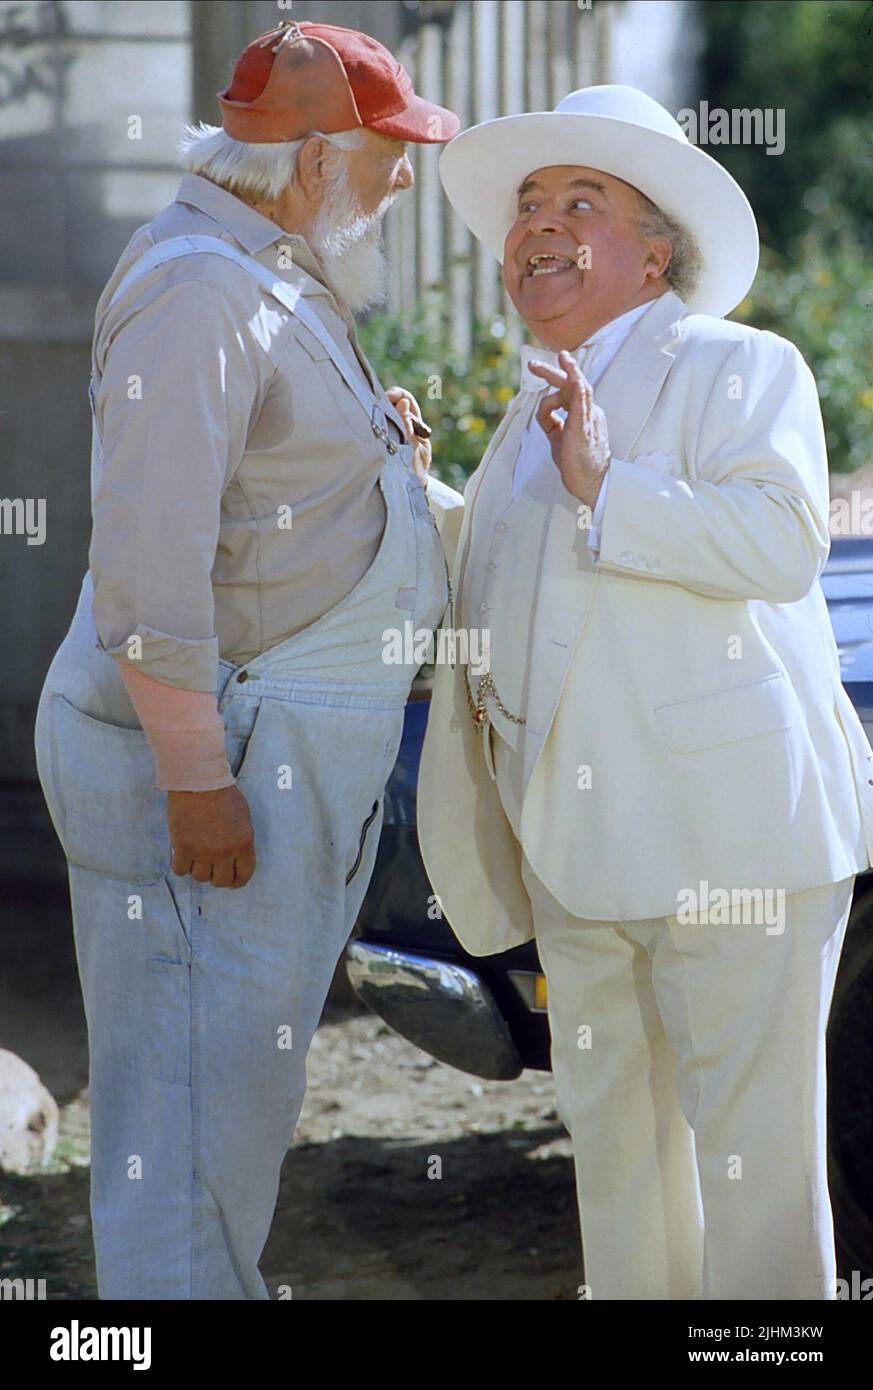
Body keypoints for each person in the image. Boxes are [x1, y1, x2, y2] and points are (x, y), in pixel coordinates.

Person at [418, 84, 873, 1300]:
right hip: (581, 854)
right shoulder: (525, 415)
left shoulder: (742, 365)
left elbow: (782, 544)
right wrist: (419, 494)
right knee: (619, 1180)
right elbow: (510, 587)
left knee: (755, 1182)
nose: (542, 224)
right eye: (528, 205)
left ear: (655, 250)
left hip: (742, 850)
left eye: (584, 200)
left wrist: (609, 485)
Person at [34, 19, 461, 1300]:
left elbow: (256, 485)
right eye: (393, 154)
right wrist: (197, 783)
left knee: (225, 1113)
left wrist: (386, 460)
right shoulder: (198, 287)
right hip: (214, 777)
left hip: (262, 756)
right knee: (179, 1132)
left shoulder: (262, 261)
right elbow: (151, 565)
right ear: (320, 160)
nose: (406, 176)